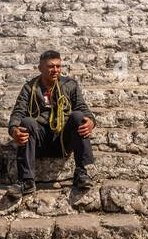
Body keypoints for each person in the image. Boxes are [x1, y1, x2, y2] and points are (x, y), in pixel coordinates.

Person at [7, 50, 96, 199]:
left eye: (58, 66)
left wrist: (91, 121)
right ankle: (26, 181)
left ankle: (82, 172)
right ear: (40, 68)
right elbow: (18, 112)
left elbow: (83, 108)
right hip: (39, 141)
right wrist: (13, 130)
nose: (55, 70)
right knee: (26, 122)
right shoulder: (30, 88)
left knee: (79, 117)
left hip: (62, 140)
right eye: (50, 66)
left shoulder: (70, 85)